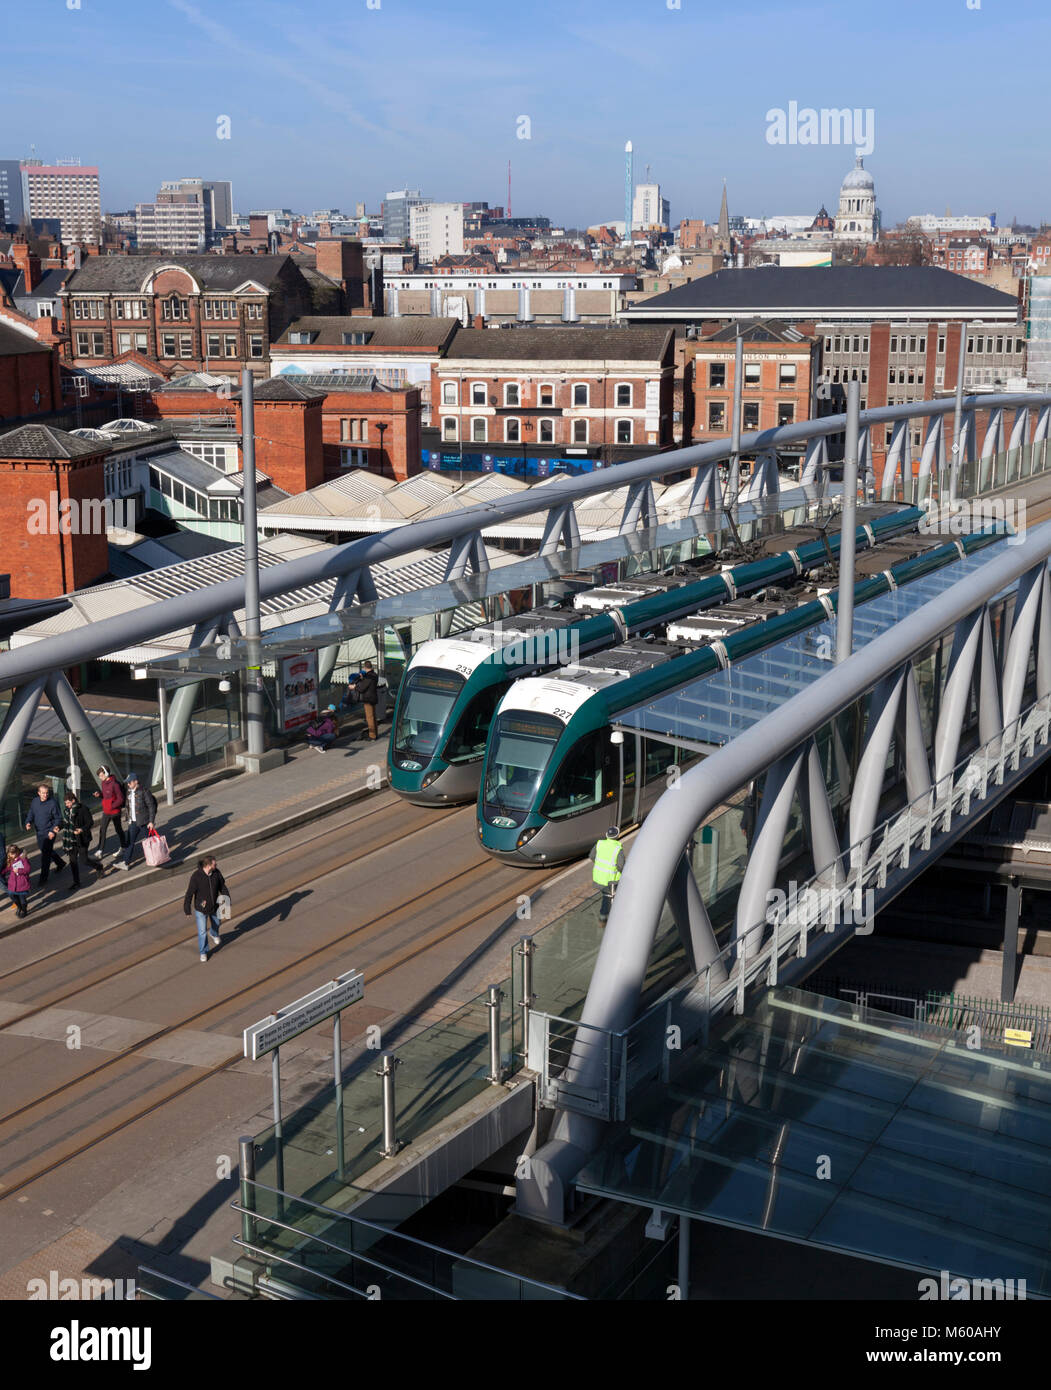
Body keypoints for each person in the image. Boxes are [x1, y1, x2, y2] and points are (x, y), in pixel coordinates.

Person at [183, 855, 230, 963]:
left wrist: (227, 899)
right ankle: (203, 952)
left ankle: (214, 933)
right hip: (201, 909)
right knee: (202, 932)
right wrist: (187, 909)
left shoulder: (216, 873)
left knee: (217, 923)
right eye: (214, 864)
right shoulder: (196, 876)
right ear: (208, 865)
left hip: (214, 907)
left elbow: (222, 886)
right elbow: (189, 893)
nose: (216, 865)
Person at [25, 782, 65, 887]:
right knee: (45, 850)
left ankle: (43, 878)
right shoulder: (35, 801)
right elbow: (31, 812)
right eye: (43, 793)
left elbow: (58, 819)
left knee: (45, 856)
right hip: (39, 832)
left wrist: (52, 831)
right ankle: (60, 863)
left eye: (47, 793)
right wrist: (28, 822)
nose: (45, 795)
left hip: (49, 832)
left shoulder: (52, 803)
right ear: (38, 793)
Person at [116, 773, 157, 870]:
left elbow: (151, 806)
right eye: (127, 783)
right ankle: (126, 863)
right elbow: (128, 807)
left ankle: (157, 857)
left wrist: (151, 821)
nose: (128, 784)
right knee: (129, 842)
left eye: (129, 782)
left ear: (136, 781)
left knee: (151, 841)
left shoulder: (144, 791)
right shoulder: (129, 792)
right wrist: (128, 819)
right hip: (133, 822)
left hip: (144, 822)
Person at [61, 791, 98, 893]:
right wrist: (58, 827)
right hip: (71, 840)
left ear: (73, 800)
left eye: (68, 803)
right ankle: (76, 882)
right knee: (73, 862)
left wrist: (81, 830)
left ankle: (98, 867)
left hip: (82, 839)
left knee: (84, 860)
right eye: (66, 803)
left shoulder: (83, 809)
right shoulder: (67, 811)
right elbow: (65, 823)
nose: (67, 805)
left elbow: (90, 822)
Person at [590, 826, 625, 924]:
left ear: (607, 835)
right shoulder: (618, 848)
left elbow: (592, 856)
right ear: (617, 836)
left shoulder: (599, 843)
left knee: (606, 897)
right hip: (611, 881)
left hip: (598, 878)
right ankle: (604, 918)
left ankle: (604, 917)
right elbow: (621, 866)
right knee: (609, 898)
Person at [93, 766, 127, 857]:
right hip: (106, 811)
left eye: (101, 775)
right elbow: (106, 796)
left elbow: (120, 799)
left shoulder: (115, 784)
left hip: (115, 811)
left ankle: (124, 847)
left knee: (118, 829)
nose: (100, 778)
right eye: (99, 776)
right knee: (102, 830)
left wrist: (111, 806)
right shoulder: (103, 783)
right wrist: (99, 795)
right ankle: (100, 851)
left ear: (106, 773)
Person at [350, 661, 380, 741]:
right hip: (373, 697)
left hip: (368, 699)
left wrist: (354, 687)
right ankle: (375, 734)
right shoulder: (375, 675)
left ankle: (372, 736)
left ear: (365, 667)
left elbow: (362, 688)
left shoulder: (368, 677)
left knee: (369, 718)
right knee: (373, 717)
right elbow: (369, 684)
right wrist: (363, 678)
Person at [5, 845, 31, 917]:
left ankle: (24, 910)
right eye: (10, 854)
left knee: (22, 898)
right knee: (11, 895)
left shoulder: (23, 859)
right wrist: (2, 871)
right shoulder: (11, 859)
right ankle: (19, 907)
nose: (11, 855)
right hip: (12, 883)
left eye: (13, 854)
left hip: (21, 882)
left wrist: (19, 870)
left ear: (17, 852)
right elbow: (8, 868)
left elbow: (28, 869)